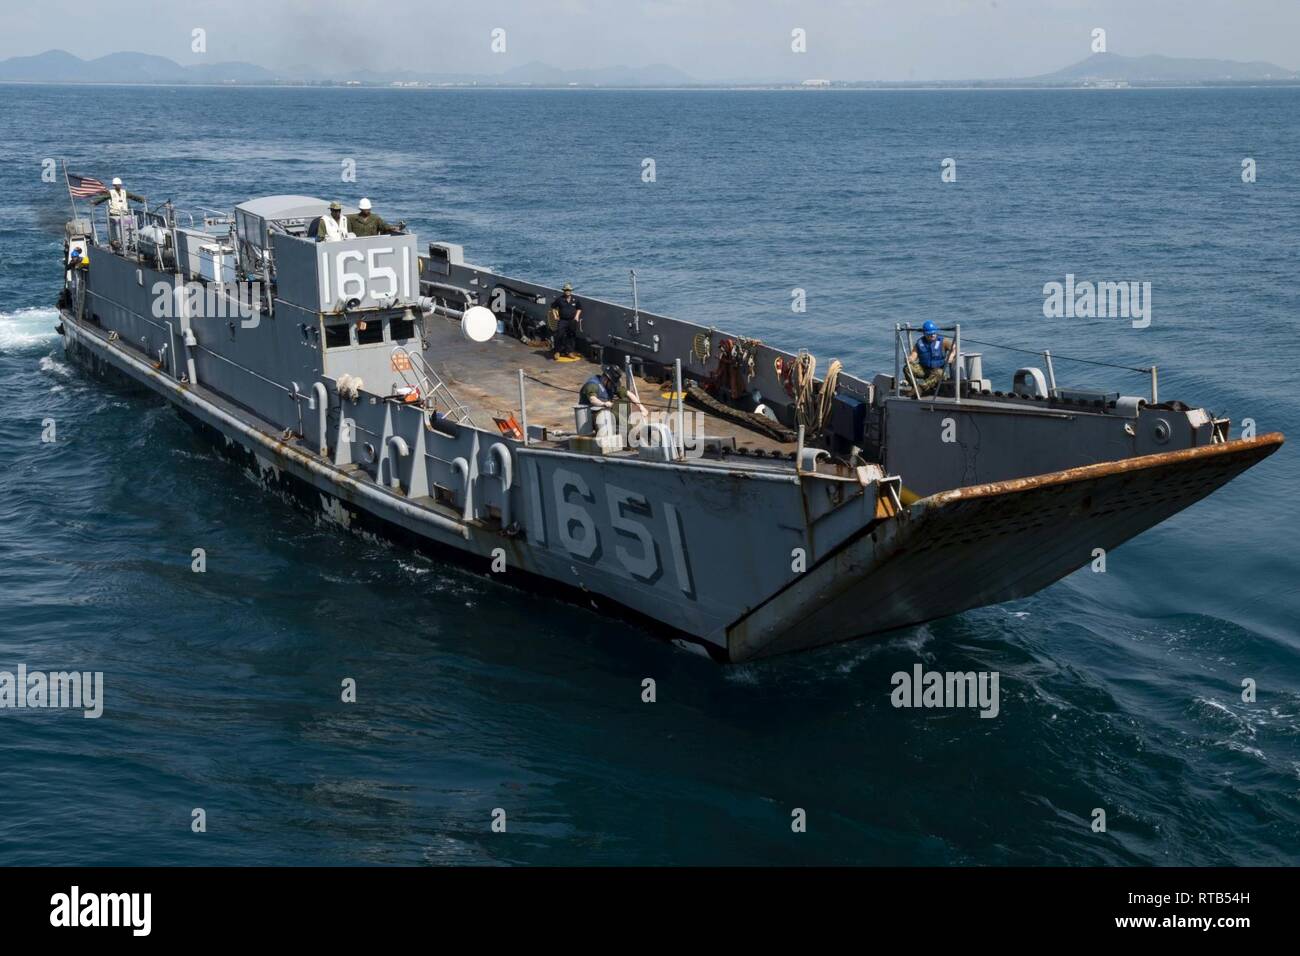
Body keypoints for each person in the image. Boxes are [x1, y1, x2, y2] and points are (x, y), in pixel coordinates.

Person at [580, 365, 648, 436]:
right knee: (617, 418)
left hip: (605, 411)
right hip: (590, 416)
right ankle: (632, 434)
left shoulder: (610, 386)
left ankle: (625, 432)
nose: (612, 385)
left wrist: (641, 407)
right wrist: (604, 403)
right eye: (612, 383)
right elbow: (592, 399)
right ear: (606, 379)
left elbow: (629, 394)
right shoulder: (592, 384)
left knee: (624, 401)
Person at [90, 177, 145, 249]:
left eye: (119, 184)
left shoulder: (124, 192)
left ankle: (131, 243)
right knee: (118, 230)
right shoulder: (111, 193)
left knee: (130, 227)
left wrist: (141, 199)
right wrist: (95, 202)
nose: (119, 186)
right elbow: (103, 198)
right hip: (115, 215)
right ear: (114, 185)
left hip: (125, 214)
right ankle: (119, 243)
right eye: (117, 185)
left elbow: (132, 196)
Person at [905, 320, 955, 396]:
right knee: (907, 368)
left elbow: (954, 348)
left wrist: (951, 356)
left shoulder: (943, 341)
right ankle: (914, 387)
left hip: (937, 370)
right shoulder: (920, 343)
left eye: (934, 333)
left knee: (940, 373)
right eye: (930, 334)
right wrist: (909, 359)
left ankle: (921, 388)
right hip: (924, 369)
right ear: (925, 334)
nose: (933, 335)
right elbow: (913, 355)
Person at [550, 283, 582, 358]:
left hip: (572, 321)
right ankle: (557, 351)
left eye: (569, 290)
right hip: (562, 320)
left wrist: (577, 316)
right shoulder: (559, 299)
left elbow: (579, 308)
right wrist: (555, 315)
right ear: (563, 291)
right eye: (566, 290)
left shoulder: (575, 300)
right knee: (559, 335)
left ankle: (570, 352)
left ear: (571, 291)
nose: (567, 291)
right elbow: (553, 307)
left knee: (571, 336)